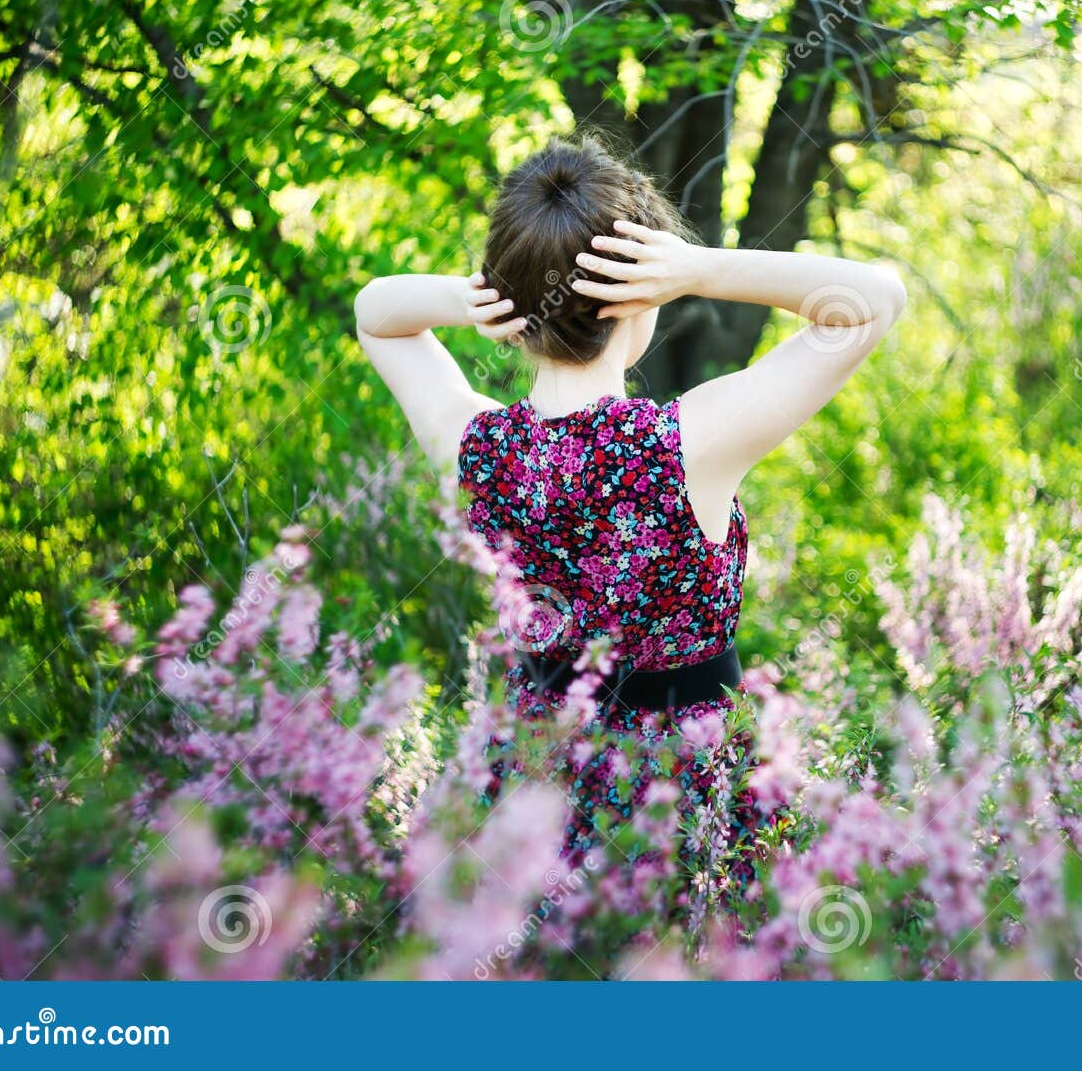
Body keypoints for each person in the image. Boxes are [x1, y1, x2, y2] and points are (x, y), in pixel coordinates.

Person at [355, 134, 906, 885]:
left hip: (531, 786)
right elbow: (873, 303)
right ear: (640, 293)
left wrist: (472, 295)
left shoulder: (474, 446)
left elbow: (375, 312)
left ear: (514, 309)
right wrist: (701, 268)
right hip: (681, 798)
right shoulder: (686, 444)